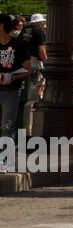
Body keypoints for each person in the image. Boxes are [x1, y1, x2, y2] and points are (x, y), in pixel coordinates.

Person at [0, 14, 32, 150]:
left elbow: (28, 69)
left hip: (11, 91)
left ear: (1, 26)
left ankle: (5, 162)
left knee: (7, 126)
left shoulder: (18, 45)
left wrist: (12, 77)